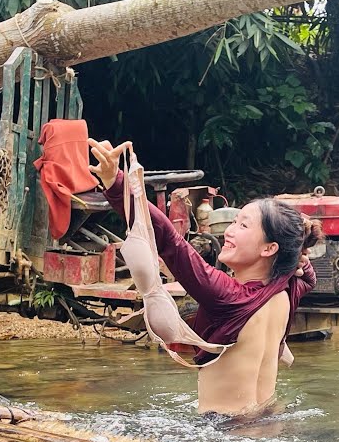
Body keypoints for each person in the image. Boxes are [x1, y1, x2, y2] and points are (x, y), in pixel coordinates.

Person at [89, 138, 323, 422]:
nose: (229, 231)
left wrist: (116, 183)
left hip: (225, 431)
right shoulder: (287, 290)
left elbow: (169, 240)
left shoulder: (229, 297)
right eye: (234, 221)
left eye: (243, 225)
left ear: (269, 248)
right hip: (267, 422)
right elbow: (308, 278)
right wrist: (301, 261)